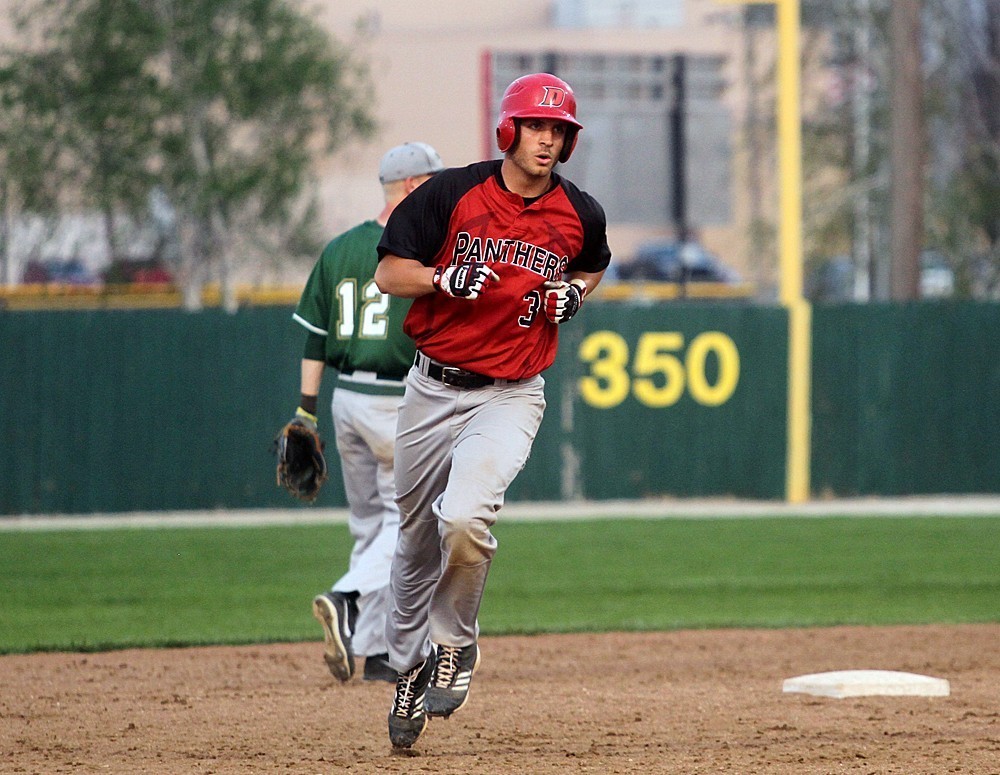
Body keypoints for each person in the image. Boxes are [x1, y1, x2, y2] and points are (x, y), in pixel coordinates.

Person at [373, 72, 612, 748]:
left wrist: (576, 292)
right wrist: (442, 277)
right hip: (431, 387)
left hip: (510, 391)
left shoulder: (580, 212)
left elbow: (594, 263)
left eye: (559, 130)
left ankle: (455, 644)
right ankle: (409, 663)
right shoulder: (452, 192)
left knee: (466, 517)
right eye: (537, 126)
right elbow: (389, 272)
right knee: (415, 540)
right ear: (510, 129)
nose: (548, 139)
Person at [291, 142, 445, 684]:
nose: (441, 190)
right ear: (410, 187)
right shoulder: (422, 252)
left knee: (370, 525)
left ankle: (380, 652)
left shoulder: (339, 249)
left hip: (345, 399)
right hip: (402, 401)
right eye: (433, 180)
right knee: (411, 524)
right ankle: (348, 598)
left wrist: (305, 412)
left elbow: (313, 338)